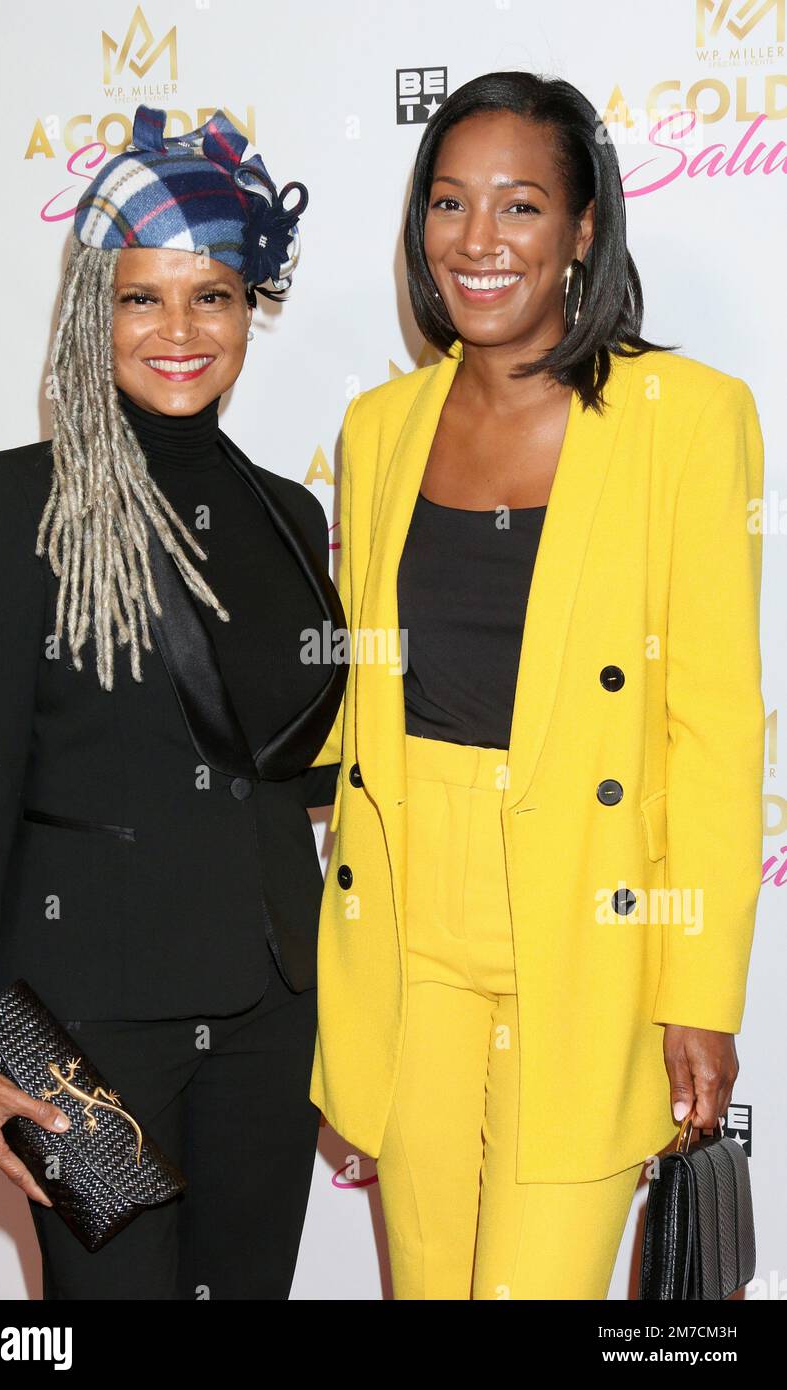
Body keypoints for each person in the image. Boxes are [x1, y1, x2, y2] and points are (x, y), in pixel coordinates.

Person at [306, 71, 765, 1299]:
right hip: (410, 925)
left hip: (590, 917)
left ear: (581, 230)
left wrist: (698, 992)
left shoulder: (686, 416)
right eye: (447, 204)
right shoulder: (380, 425)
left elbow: (714, 723)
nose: (476, 242)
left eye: (517, 207)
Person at [0, 105, 345, 1300]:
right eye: (141, 298)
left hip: (269, 1012)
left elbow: (295, 766)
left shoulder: (286, 515)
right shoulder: (15, 508)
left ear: (247, 310)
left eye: (211, 296)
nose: (179, 330)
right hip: (87, 1021)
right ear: (88, 315)